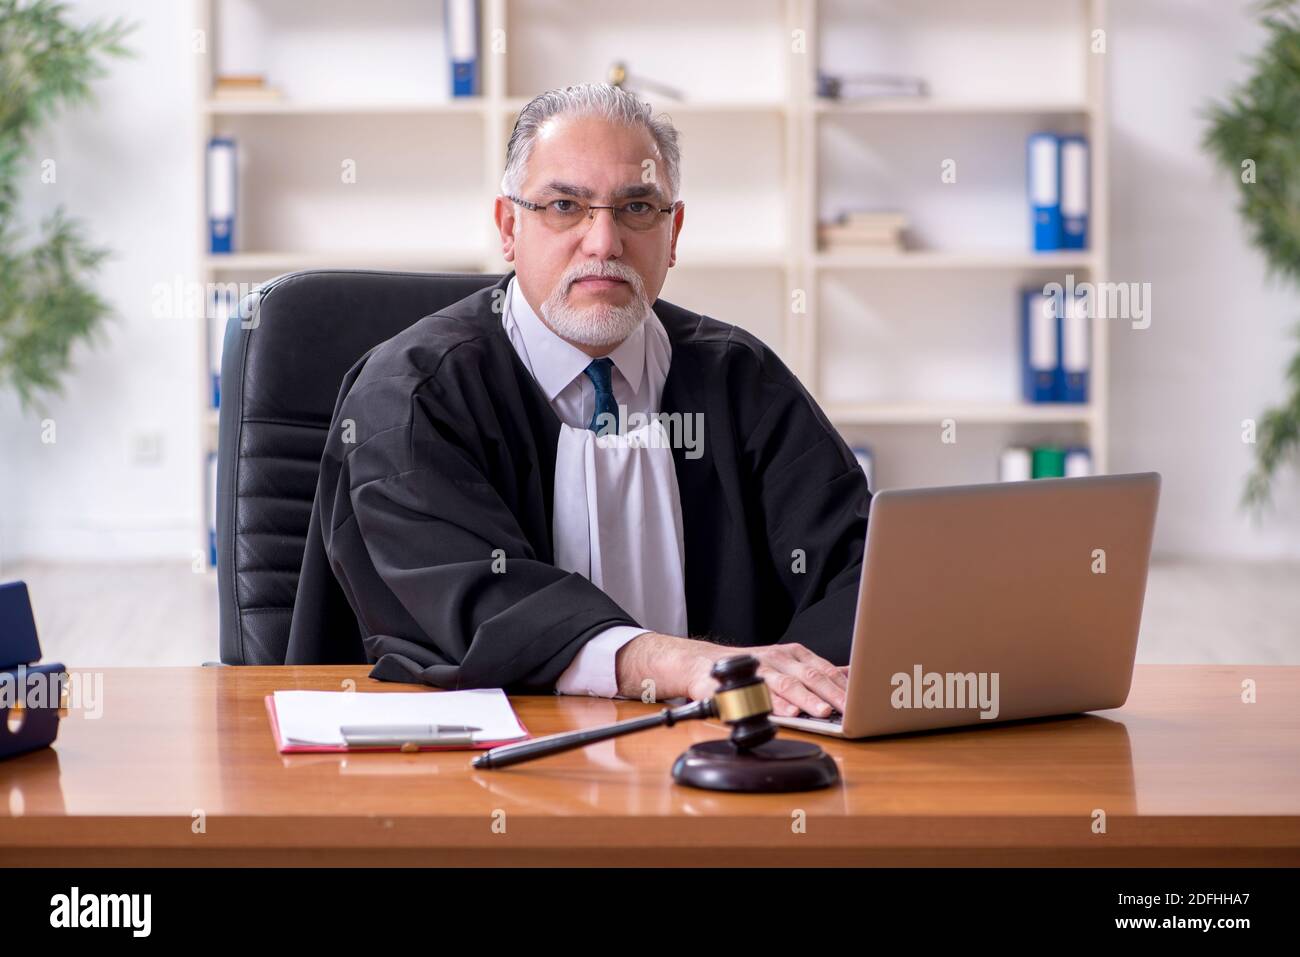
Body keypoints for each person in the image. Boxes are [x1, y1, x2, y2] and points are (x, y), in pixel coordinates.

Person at [287, 83, 871, 718]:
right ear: (510, 228)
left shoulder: (740, 380)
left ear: (672, 234)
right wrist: (679, 664)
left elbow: (860, 572)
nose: (604, 242)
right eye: (565, 205)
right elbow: (472, 599)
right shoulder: (412, 394)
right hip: (482, 762)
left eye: (636, 207)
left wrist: (788, 688)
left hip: (716, 750)